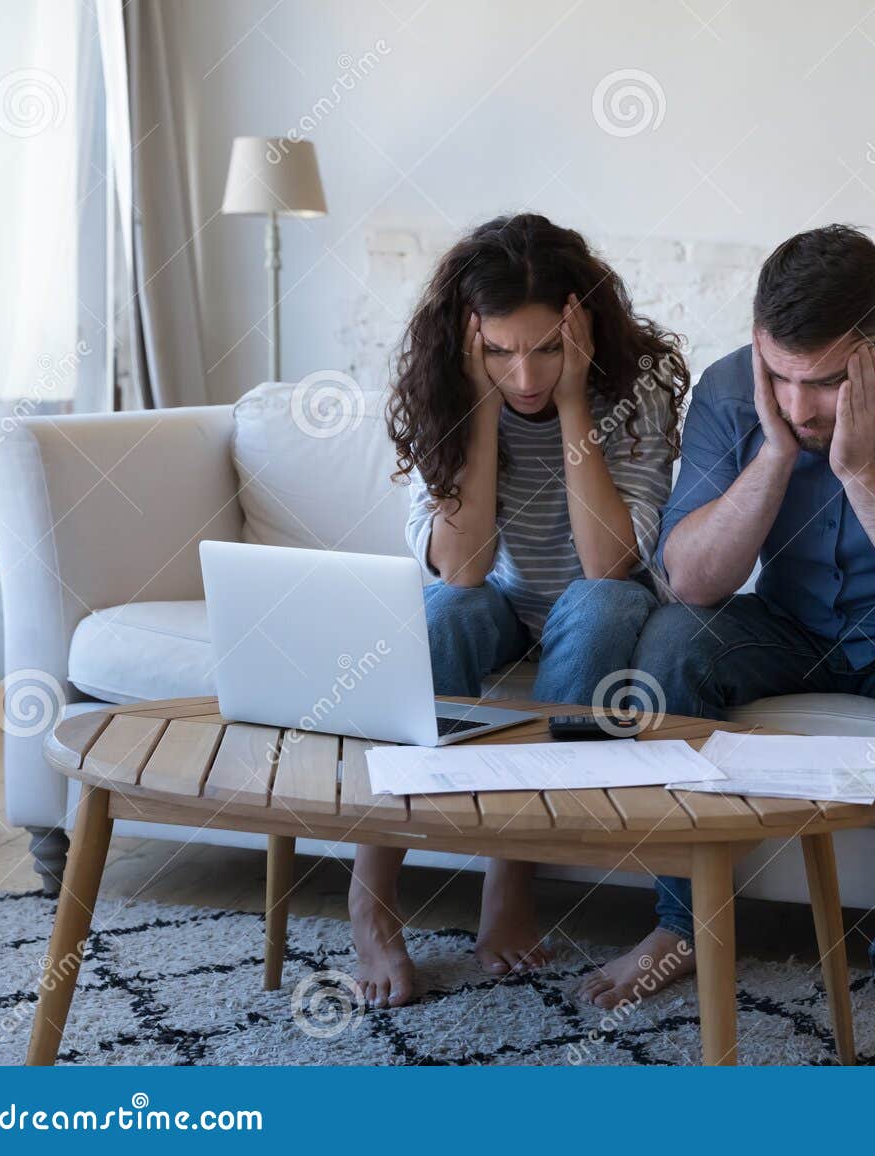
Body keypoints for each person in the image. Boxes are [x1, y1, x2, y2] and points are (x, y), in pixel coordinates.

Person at [578, 225, 875, 1044]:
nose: (796, 405)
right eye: (779, 375)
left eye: (825, 382)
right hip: (786, 625)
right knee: (674, 641)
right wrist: (775, 456)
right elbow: (689, 580)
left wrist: (859, 471)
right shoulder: (729, 391)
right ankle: (683, 925)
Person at [357, 213, 688, 1008]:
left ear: (581, 331)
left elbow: (612, 561)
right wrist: (476, 409)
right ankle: (370, 903)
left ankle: (508, 881)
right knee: (442, 614)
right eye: (501, 352)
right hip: (497, 598)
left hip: (595, 604)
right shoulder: (448, 386)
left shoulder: (628, 386)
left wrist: (577, 404)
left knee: (604, 603)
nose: (526, 376)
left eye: (546, 349)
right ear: (470, 345)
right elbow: (463, 567)